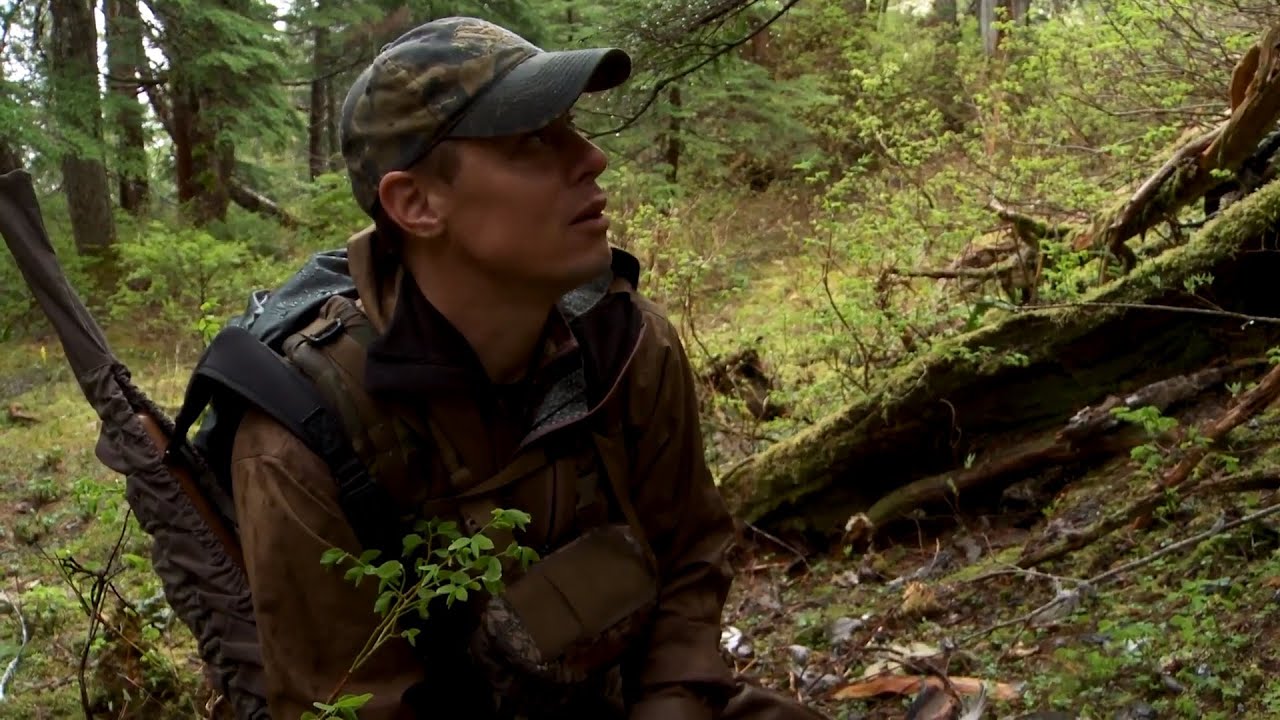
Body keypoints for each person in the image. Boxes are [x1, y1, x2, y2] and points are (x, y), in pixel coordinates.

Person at [227, 15, 831, 720]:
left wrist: (672, 704)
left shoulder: (628, 347)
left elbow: (690, 558)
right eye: (534, 141)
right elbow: (348, 704)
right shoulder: (302, 441)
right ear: (416, 203)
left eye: (573, 126)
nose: (592, 159)